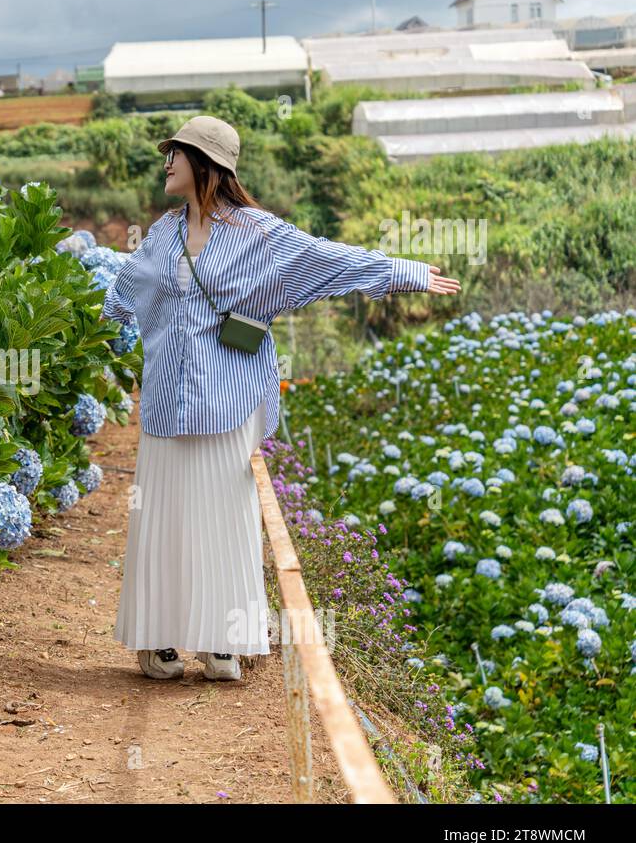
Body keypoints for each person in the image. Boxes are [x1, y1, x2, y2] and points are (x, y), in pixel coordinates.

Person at [100, 115, 460, 681]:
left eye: (178, 153)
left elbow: (329, 259)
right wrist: (78, 319)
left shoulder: (259, 234)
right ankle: (160, 638)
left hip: (228, 399)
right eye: (168, 152)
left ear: (207, 164)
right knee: (163, 517)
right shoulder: (162, 233)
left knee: (225, 517)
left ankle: (221, 639)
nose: (166, 162)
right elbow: (122, 295)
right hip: (168, 400)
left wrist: (402, 272)